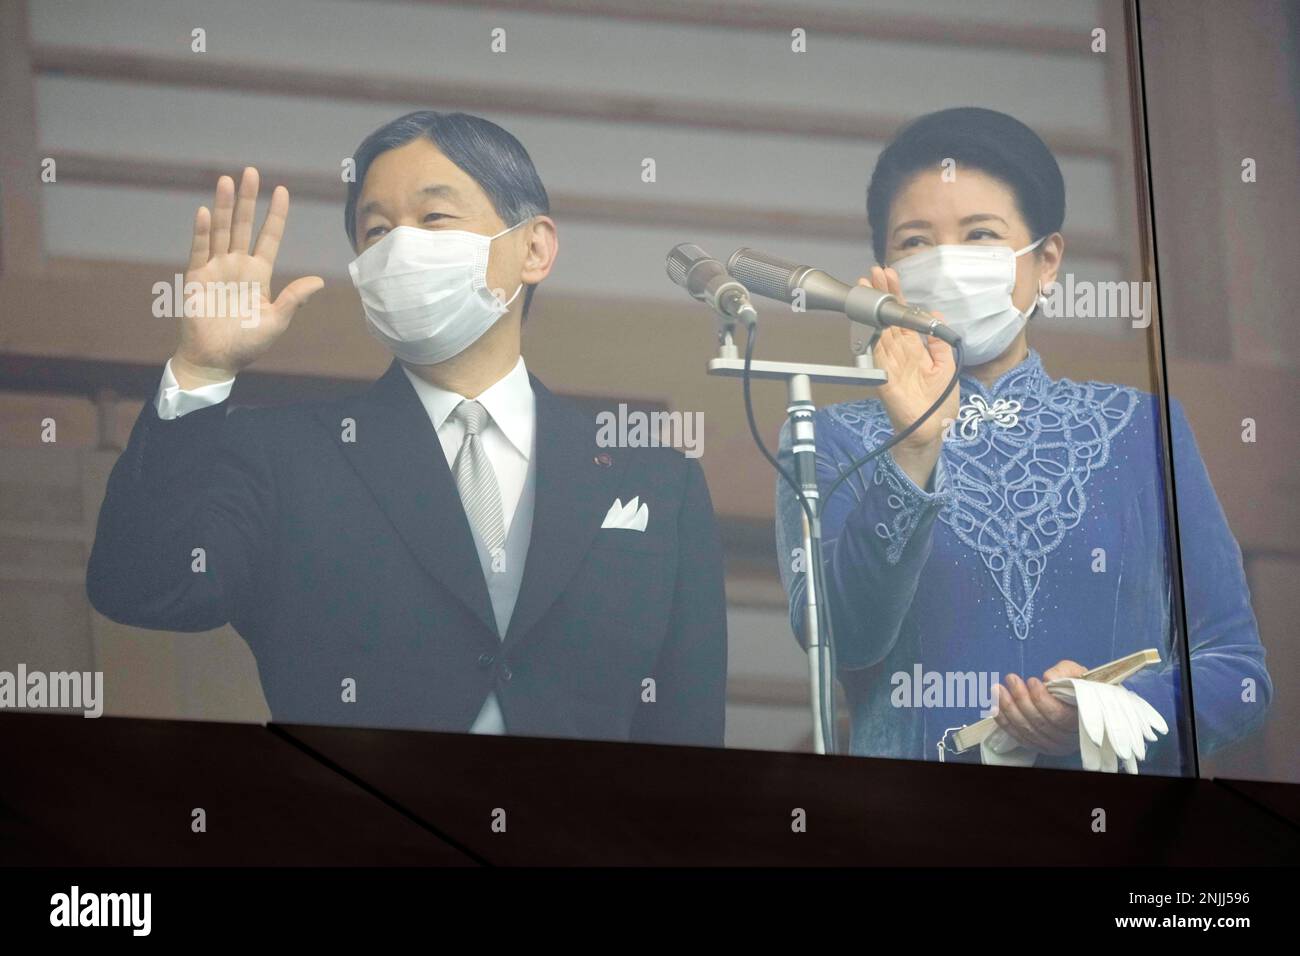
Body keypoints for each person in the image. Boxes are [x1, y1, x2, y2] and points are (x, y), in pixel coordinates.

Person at [87, 110, 726, 746]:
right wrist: (202, 368)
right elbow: (144, 588)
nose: (401, 247)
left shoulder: (657, 482)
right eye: (376, 230)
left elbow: (689, 735)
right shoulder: (285, 456)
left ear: (534, 248)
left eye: (434, 216)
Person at [775, 107, 1270, 772]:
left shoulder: (1143, 430)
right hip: (909, 821)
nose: (947, 264)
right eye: (915, 242)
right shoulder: (829, 437)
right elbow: (845, 639)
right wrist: (913, 447)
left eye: (980, 234)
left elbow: (1239, 675)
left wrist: (1103, 710)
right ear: (883, 271)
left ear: (1046, 262)